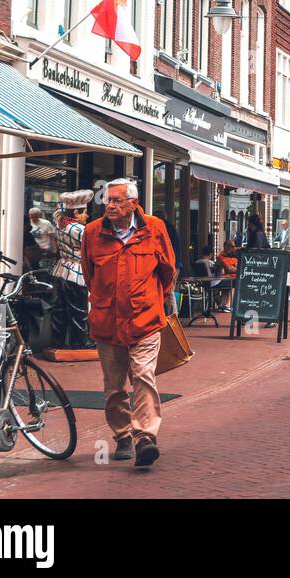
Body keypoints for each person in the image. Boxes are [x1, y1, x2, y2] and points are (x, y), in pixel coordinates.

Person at [80, 178, 176, 468]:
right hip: (107, 323)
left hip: (144, 320)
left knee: (144, 376)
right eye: (108, 200)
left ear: (133, 203)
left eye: (117, 201)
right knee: (114, 386)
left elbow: (167, 271)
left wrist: (153, 300)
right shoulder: (92, 233)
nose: (110, 205)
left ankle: (145, 436)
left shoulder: (154, 229)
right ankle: (122, 434)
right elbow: (89, 274)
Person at [51, 190, 93, 350]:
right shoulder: (80, 230)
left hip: (61, 270)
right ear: (76, 212)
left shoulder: (60, 224)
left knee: (60, 310)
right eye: (84, 212)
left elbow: (57, 212)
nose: (87, 216)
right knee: (78, 310)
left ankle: (58, 341)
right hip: (77, 273)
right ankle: (80, 342)